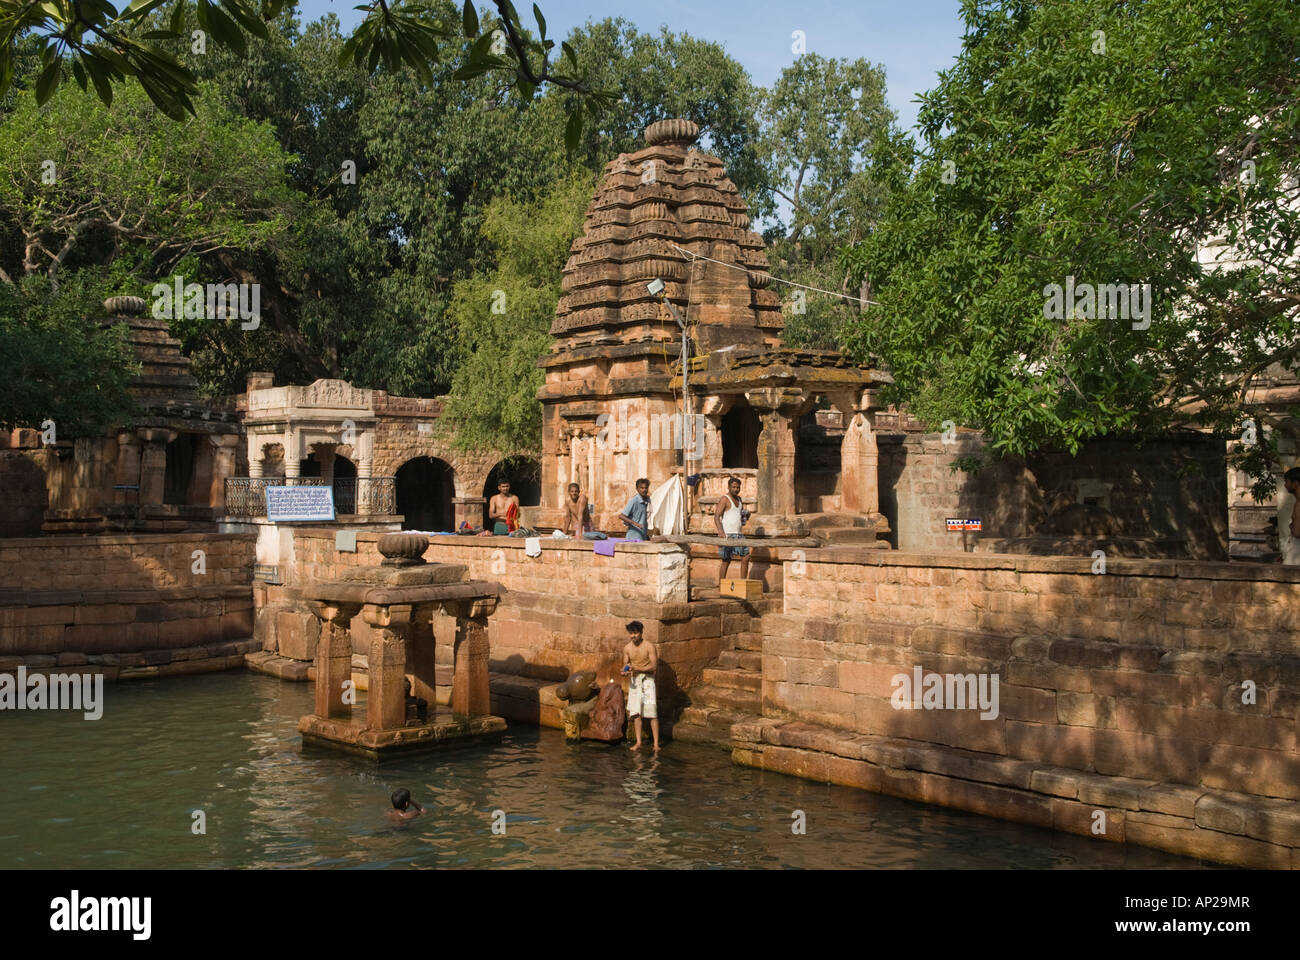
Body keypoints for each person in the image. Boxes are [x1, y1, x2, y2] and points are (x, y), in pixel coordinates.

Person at [621, 621, 659, 752]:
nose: (633, 636)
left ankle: (656, 744)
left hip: (648, 681)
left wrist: (638, 668)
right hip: (635, 681)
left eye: (635, 633)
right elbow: (625, 665)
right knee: (636, 714)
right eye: (631, 633)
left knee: (652, 713)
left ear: (641, 632)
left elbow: (654, 666)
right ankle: (638, 742)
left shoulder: (649, 646)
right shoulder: (627, 648)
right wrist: (624, 671)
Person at [715, 475, 751, 580]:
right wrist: (721, 531)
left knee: (746, 557)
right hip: (727, 534)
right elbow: (717, 515)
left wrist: (747, 515)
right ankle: (721, 585)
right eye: (734, 487)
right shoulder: (724, 499)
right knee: (726, 560)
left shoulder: (739, 499)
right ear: (729, 487)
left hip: (739, 534)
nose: (736, 489)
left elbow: (741, 516)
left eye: (738, 487)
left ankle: (743, 583)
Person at [1283, 467, 1300, 565]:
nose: (1285, 485)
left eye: (1287, 482)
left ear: (1296, 483)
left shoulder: (1298, 504)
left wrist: (1291, 526)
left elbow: (1297, 533)